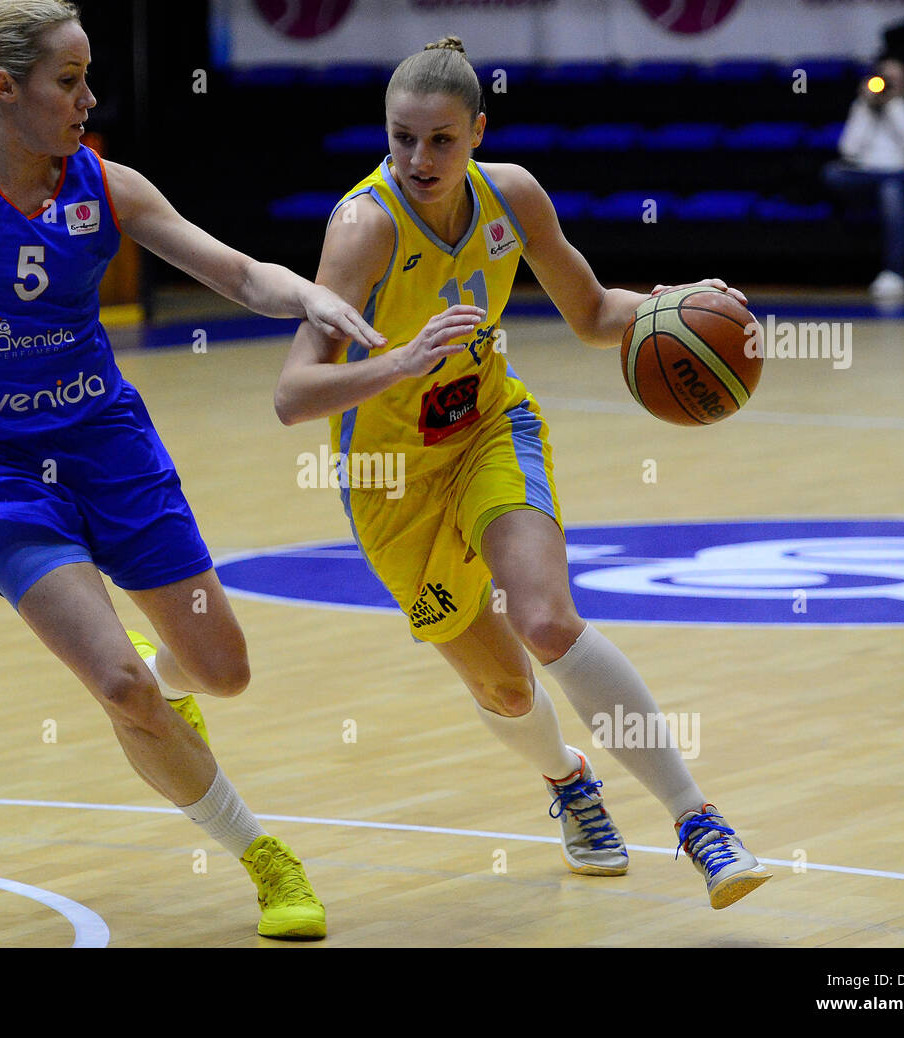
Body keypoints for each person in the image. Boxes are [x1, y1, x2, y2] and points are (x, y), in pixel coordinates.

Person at [0, 0, 387, 940]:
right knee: (122, 689)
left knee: (224, 675)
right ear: (5, 88)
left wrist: (313, 298)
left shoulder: (110, 184)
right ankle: (265, 855)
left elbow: (240, 274)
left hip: (107, 448)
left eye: (88, 77)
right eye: (70, 81)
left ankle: (156, 681)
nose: (89, 98)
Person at [275, 37, 771, 909]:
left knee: (545, 620)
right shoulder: (366, 228)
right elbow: (293, 394)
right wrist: (397, 363)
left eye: (440, 141)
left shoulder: (514, 196)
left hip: (490, 430)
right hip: (391, 477)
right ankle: (569, 781)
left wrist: (669, 303)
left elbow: (590, 314)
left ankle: (702, 825)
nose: (418, 160)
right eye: (400, 140)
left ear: (477, 133)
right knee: (503, 683)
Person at [822, 57, 904, 299]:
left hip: (902, 175)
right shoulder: (863, 106)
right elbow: (848, 150)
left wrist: (892, 109)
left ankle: (895, 274)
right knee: (831, 173)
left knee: (891, 190)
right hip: (866, 176)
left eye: (897, 80)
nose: (891, 85)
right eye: (887, 79)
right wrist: (867, 108)